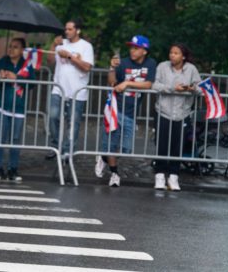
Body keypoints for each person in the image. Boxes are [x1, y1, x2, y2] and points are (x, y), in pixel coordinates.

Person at [95, 35, 156, 187]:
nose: (132, 50)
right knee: (111, 144)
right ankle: (115, 173)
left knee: (126, 149)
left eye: (136, 48)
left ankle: (103, 157)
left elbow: (148, 84)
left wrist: (128, 82)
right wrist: (112, 68)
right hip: (116, 109)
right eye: (131, 47)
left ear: (144, 51)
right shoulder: (123, 62)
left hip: (132, 112)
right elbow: (111, 82)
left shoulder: (150, 63)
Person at [151, 43, 201, 192]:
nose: (172, 55)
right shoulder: (162, 66)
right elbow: (155, 85)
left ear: (183, 56)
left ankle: (173, 176)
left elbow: (200, 88)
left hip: (182, 113)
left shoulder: (191, 69)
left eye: (176, 53)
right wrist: (172, 88)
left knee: (177, 146)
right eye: (171, 52)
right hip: (163, 111)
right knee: (161, 144)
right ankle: (159, 175)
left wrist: (192, 89)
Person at [47, 20, 94, 159]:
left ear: (77, 31)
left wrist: (69, 56)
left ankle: (68, 151)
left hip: (77, 91)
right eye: (65, 29)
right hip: (59, 88)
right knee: (53, 116)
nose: (66, 32)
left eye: (69, 29)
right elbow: (49, 61)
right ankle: (55, 147)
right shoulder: (61, 44)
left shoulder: (86, 46)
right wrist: (53, 45)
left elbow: (87, 67)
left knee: (73, 122)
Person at [0, 38, 35, 182]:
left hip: (19, 107)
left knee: (15, 139)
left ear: (22, 50)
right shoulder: (2, 62)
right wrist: (0, 75)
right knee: (0, 137)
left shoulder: (27, 65)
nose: (11, 49)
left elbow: (33, 83)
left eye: (15, 47)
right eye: (10, 46)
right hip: (2, 105)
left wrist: (16, 78)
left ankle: (13, 168)